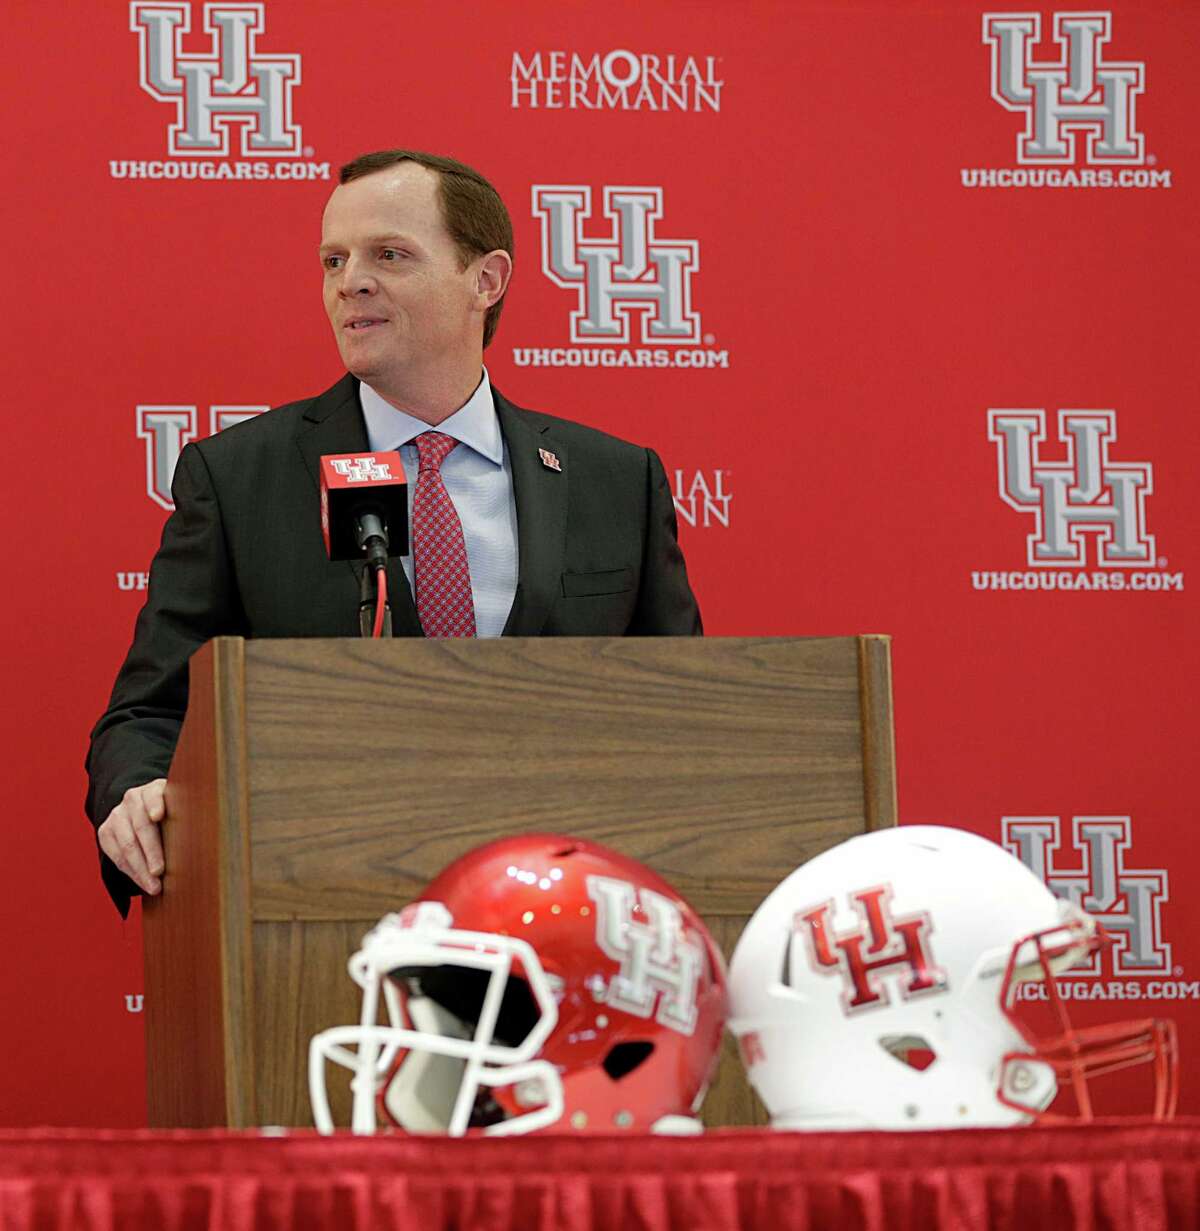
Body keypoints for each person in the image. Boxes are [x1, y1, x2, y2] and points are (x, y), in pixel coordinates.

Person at [87, 149, 701, 917]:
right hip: (322, 912)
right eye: (333, 259)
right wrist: (137, 790)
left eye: (390, 254)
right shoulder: (239, 478)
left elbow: (683, 718)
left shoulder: (616, 481)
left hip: (566, 921)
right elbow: (149, 711)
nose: (351, 281)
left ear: (487, 279)